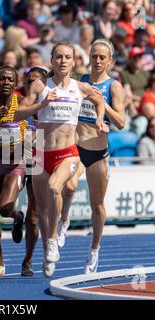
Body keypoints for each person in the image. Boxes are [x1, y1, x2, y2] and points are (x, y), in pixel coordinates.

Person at [14, 41, 107, 277]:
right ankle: (48, 248)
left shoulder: (80, 87)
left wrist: (98, 119)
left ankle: (53, 239)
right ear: (52, 60)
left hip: (67, 153)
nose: (63, 61)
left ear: (74, 61)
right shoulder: (40, 85)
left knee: (56, 187)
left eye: (68, 57)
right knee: (43, 210)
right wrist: (42, 103)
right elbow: (17, 113)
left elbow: (99, 101)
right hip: (41, 153)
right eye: (59, 57)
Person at [58, 39, 125, 274]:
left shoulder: (113, 86)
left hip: (97, 151)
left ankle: (94, 249)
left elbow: (121, 122)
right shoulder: (79, 81)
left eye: (102, 57)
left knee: (96, 205)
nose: (97, 60)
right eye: (94, 56)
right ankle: (64, 221)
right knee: (68, 188)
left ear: (110, 60)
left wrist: (101, 104)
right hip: (75, 146)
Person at [0, 65, 27, 281]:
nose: (6, 83)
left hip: (15, 163)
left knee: (5, 208)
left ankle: (18, 217)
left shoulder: (23, 102)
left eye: (10, 79)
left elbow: (39, 119)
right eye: (2, 79)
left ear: (16, 83)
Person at [21, 67, 48, 277]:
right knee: (4, 205)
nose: (33, 85)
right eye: (30, 81)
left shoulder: (52, 106)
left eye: (37, 81)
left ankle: (27, 260)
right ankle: (13, 216)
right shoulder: (21, 103)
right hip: (13, 159)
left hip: (38, 160)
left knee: (33, 213)